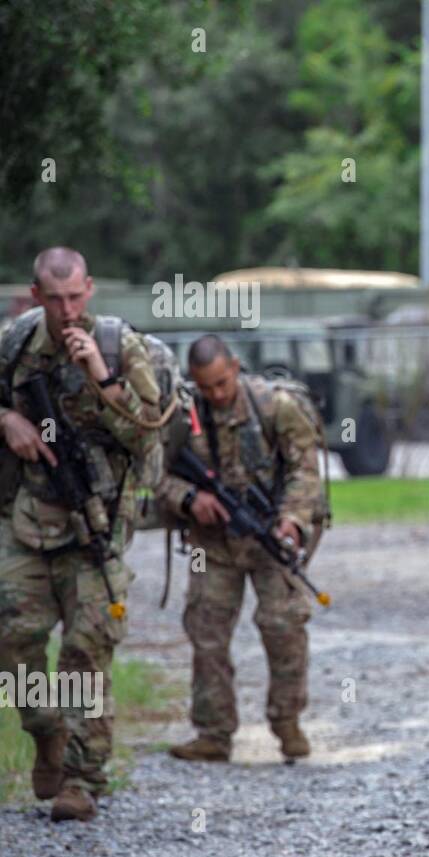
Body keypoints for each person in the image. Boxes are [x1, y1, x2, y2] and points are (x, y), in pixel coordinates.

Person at [0, 247, 161, 821]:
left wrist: (103, 376)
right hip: (28, 520)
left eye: (76, 297)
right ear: (36, 294)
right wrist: (6, 419)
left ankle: (80, 778)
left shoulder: (120, 347)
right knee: (12, 642)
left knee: (85, 651)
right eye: (55, 299)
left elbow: (148, 436)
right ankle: (43, 730)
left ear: (89, 289)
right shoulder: (15, 344)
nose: (67, 311)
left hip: (96, 524)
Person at [160, 334, 323, 763]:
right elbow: (153, 473)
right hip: (213, 543)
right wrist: (191, 500)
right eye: (205, 386)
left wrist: (292, 520)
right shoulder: (183, 415)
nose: (215, 393)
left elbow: (305, 471)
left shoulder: (275, 407)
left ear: (234, 367)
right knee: (207, 631)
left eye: (221, 383)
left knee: (283, 625)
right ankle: (213, 733)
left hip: (270, 534)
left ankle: (287, 722)